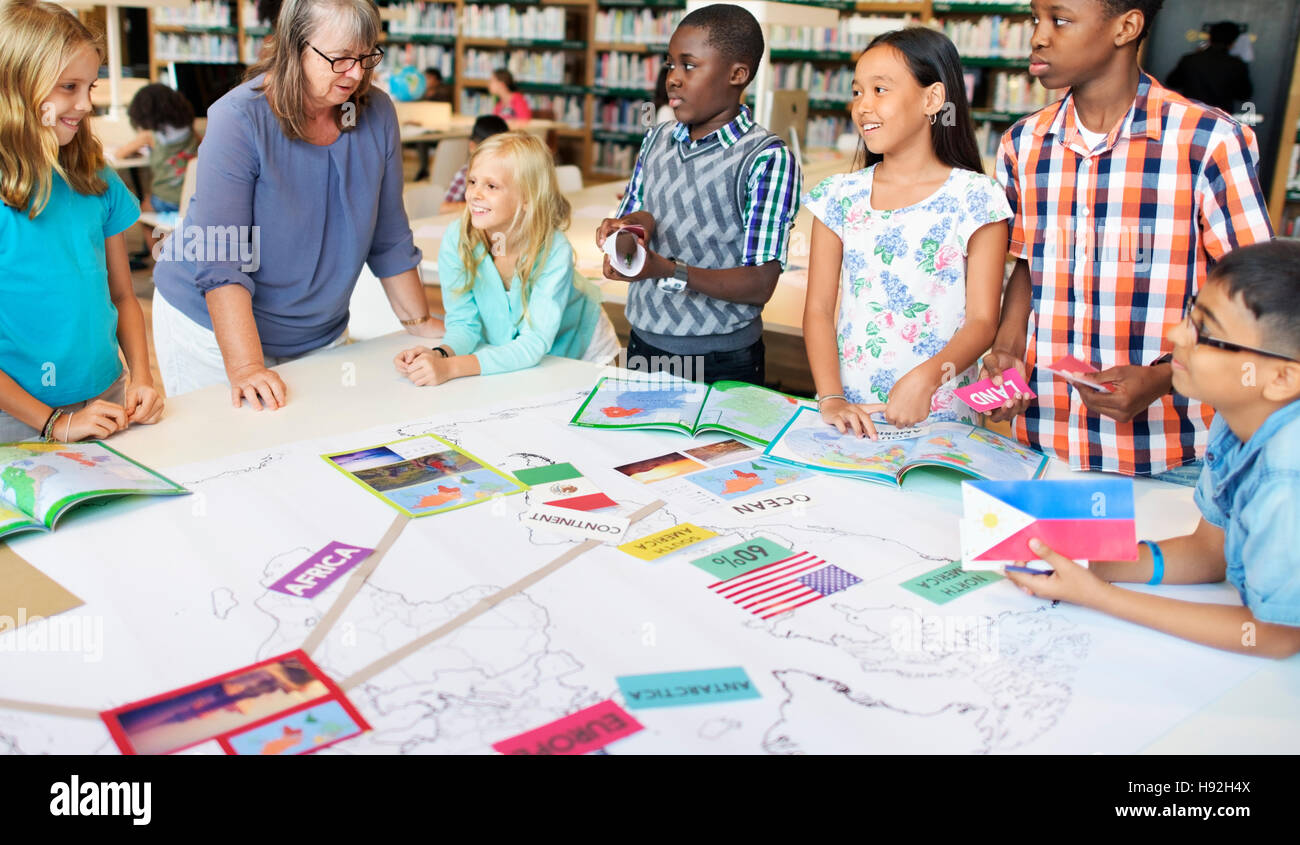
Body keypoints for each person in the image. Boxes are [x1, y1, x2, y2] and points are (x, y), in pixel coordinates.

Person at [983, 0, 1273, 479]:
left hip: (1170, 454)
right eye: (1034, 19)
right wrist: (1009, 350)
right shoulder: (1023, 143)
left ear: (1126, 27)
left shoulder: (1209, 141)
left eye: (1060, 19)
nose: (1037, 36)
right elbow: (1026, 262)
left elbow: (1253, 295)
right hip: (1039, 444)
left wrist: (1162, 379)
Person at [1006, 241, 1300, 659]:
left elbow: (1275, 637)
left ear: (1283, 378)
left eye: (1206, 331)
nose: (1176, 334)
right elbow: (1207, 554)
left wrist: (1099, 596)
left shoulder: (1287, 473)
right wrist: (1092, 564)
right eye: (1190, 315)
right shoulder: (1237, 417)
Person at [150, 0, 441, 409]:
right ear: (293, 47)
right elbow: (222, 261)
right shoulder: (239, 119)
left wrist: (420, 324)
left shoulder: (376, 114)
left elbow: (389, 232)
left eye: (366, 56)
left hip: (317, 331)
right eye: (340, 59)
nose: (356, 74)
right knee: (237, 455)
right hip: (212, 331)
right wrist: (248, 367)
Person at [803, 28, 1011, 438]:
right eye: (857, 91)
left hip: (944, 418)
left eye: (880, 90)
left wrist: (928, 379)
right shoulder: (838, 196)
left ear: (932, 99)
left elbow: (984, 320)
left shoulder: (977, 197)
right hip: (852, 416)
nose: (863, 106)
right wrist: (831, 398)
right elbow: (818, 311)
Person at [595, 3, 802, 386]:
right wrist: (626, 230)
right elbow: (646, 213)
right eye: (671, 65)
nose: (673, 78)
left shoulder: (767, 158)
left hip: (721, 358)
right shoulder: (656, 138)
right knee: (643, 445)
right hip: (644, 342)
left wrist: (666, 270)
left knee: (716, 448)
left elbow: (760, 283)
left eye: (689, 66)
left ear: (737, 74)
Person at [0, 0, 163, 442]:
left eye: (90, 86)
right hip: (16, 417)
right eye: (69, 86)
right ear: (15, 86)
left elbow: (124, 296)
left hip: (105, 398)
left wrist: (142, 379)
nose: (85, 104)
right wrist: (56, 423)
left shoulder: (97, 178)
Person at [395, 133, 618, 385]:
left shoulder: (554, 250)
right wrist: (440, 355)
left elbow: (533, 344)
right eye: (472, 181)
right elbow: (464, 324)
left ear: (527, 198)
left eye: (491, 186)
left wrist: (451, 369)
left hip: (584, 347)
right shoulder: (457, 240)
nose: (474, 194)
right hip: (519, 357)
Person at [115, 83, 199, 257]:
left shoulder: (150, 135)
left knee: (144, 211)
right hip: (190, 198)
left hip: (164, 198)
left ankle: (159, 260)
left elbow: (120, 153)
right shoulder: (190, 131)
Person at [1166, 21, 1252, 114]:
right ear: (1233, 42)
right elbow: (1244, 95)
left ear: (1210, 38)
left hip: (1189, 114)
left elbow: (1172, 82)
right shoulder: (1237, 65)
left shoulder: (1191, 59)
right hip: (1220, 118)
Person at [440, 114, 508, 214]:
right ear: (472, 147)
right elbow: (444, 208)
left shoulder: (509, 173)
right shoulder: (465, 173)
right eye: (489, 151)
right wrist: (479, 205)